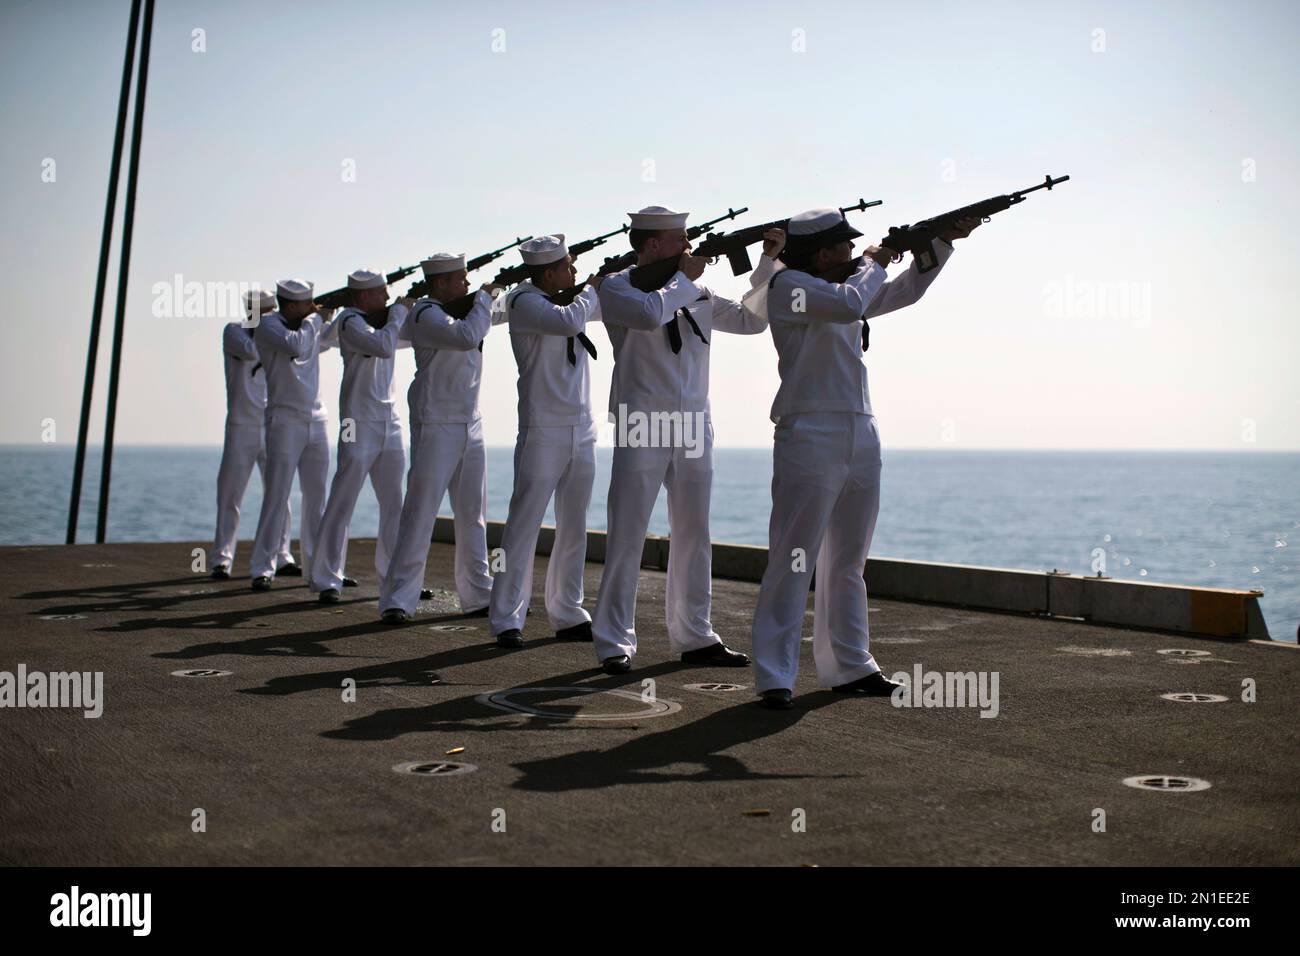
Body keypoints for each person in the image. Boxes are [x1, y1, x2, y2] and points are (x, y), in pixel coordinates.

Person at [747, 208, 980, 709]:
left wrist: (936, 245)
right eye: (842, 248)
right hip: (809, 428)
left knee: (849, 560)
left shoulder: (842, 289)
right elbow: (852, 300)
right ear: (819, 253)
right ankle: (774, 675)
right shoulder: (789, 287)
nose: (852, 253)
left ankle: (851, 665)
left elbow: (901, 293)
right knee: (794, 558)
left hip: (858, 425)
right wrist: (875, 259)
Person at [591, 206, 784, 674]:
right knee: (628, 531)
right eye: (679, 240)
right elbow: (647, 313)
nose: (688, 247)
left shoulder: (695, 289)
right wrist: (682, 281)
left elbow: (749, 321)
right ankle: (614, 641)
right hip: (644, 420)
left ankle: (696, 635)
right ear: (652, 245)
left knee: (695, 532)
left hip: (694, 422)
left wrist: (767, 265)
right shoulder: (618, 286)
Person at [487, 235, 603, 649]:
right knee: (524, 525)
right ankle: (506, 618)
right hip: (544, 428)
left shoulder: (571, 299)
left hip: (581, 426)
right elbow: (570, 320)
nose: (574, 273)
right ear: (550, 272)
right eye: (568, 267)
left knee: (575, 524)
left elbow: (605, 307)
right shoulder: (524, 301)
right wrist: (592, 287)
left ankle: (568, 611)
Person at [377, 254, 500, 624]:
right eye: (461, 279)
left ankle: (479, 594)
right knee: (420, 513)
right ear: (442, 283)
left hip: (470, 422)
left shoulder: (467, 309)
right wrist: (484, 298)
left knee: (472, 517)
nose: (467, 284)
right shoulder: (425, 314)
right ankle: (398, 598)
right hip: (438, 424)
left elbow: (490, 317)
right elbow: (466, 336)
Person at [309, 270, 411, 603]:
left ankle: (394, 578)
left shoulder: (384, 320)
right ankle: (326, 578)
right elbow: (383, 345)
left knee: (395, 505)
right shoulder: (350, 322)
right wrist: (398, 312)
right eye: (381, 292)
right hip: (358, 423)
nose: (386, 297)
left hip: (390, 421)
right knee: (342, 501)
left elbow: (403, 337)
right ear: (363, 297)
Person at [247, 279, 338, 591]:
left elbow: (328, 340)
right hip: (284, 418)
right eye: (306, 304)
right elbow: (297, 344)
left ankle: (317, 570)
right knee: (277, 494)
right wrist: (317, 318)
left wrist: (340, 314)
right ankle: (262, 567)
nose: (311, 309)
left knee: (317, 499)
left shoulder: (308, 325)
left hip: (317, 417)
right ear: (290, 306)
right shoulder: (268, 325)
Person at [211, 288, 295, 579]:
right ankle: (222, 558)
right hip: (242, 426)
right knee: (230, 495)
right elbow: (251, 351)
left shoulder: (278, 336)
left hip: (272, 424)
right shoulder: (235, 332)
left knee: (280, 494)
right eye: (268, 312)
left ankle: (282, 555)